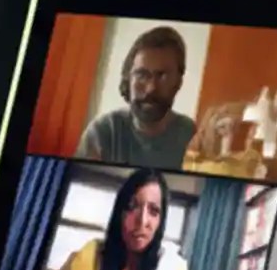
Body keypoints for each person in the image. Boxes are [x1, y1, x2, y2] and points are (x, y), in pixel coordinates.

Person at [35, 168, 192, 270]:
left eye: (154, 211)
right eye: (132, 206)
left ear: (161, 221)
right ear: (119, 213)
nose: (142, 221)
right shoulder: (90, 257)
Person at [74, 26, 197, 169]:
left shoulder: (190, 136)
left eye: (162, 76)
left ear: (178, 82)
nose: (151, 88)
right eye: (142, 75)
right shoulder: (102, 133)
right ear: (128, 79)